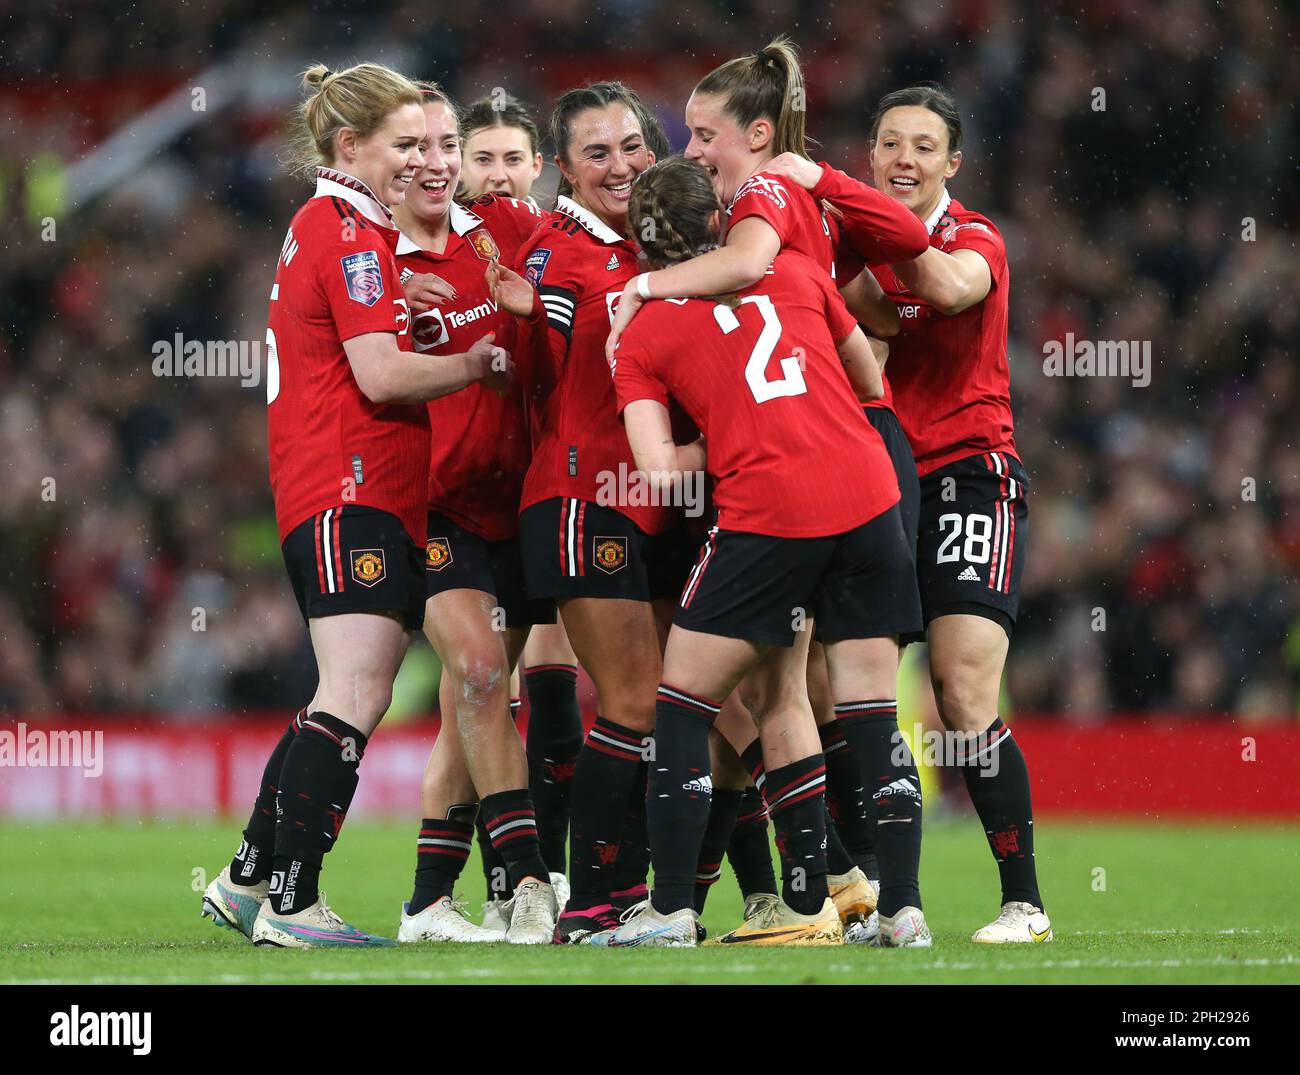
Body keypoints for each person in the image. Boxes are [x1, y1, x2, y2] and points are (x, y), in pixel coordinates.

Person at [603, 38, 932, 947]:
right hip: (868, 491)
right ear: (716, 219)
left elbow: (662, 473)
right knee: (868, 705)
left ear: (645, 239)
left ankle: (669, 908)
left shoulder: (642, 324)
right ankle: (900, 908)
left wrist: (733, 435)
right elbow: (870, 380)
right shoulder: (792, 266)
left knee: (683, 699)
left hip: (772, 510)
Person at [200, 62, 510, 947]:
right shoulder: (345, 230)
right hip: (352, 487)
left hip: (346, 490)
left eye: (427, 144)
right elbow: (378, 373)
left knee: (342, 694)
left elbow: (346, 340)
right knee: (354, 693)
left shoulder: (339, 229)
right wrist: (475, 361)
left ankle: (248, 878)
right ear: (351, 148)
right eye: (405, 145)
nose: (423, 161)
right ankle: (294, 904)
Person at [775, 83, 1051, 944]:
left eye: (923, 147)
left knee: (963, 689)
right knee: (841, 682)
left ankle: (1024, 903)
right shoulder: (847, 248)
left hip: (971, 472)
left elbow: (943, 285)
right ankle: (877, 896)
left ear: (953, 163)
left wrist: (822, 182)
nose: (903, 159)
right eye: (890, 143)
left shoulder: (976, 238)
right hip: (876, 477)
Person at [511, 81, 688, 943]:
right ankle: (589, 898)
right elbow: (527, 366)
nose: (618, 165)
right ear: (566, 171)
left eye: (630, 146)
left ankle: (628, 895)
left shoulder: (673, 245)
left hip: (657, 508)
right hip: (585, 500)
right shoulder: (559, 251)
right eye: (596, 152)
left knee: (666, 702)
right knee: (634, 703)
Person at [388, 85, 559, 945]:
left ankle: (430, 901)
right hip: (434, 509)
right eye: (466, 153)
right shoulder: (377, 253)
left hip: (518, 511)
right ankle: (527, 883)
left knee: (474, 702)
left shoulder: (518, 238)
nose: (479, 173)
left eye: (496, 156)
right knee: (485, 679)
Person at [457, 93, 585, 925]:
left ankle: (555, 872)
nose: (498, 176)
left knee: (556, 689)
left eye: (512, 161)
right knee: (477, 697)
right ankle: (504, 880)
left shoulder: (554, 245)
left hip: (548, 492)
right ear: (459, 166)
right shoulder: (434, 245)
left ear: (537, 168)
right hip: (467, 506)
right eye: (483, 161)